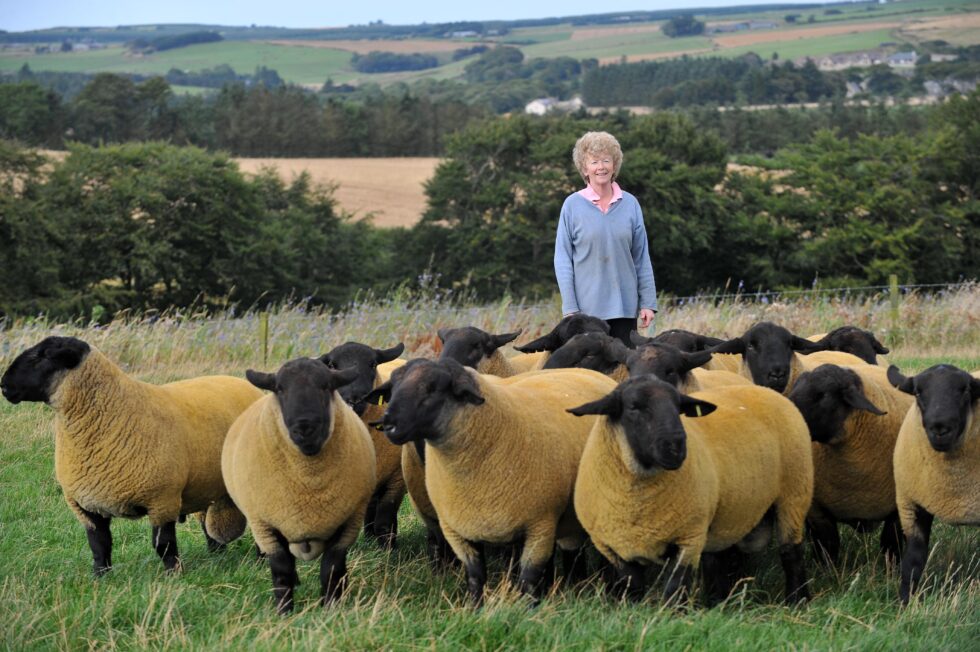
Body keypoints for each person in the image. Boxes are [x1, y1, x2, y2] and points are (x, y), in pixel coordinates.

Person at [554, 131, 657, 347]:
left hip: (625, 308)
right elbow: (563, 261)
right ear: (585, 168)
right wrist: (571, 309)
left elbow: (641, 257)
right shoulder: (571, 206)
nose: (601, 167)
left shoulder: (630, 204)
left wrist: (647, 303)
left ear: (614, 165)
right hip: (586, 313)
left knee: (624, 372)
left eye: (606, 160)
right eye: (594, 161)